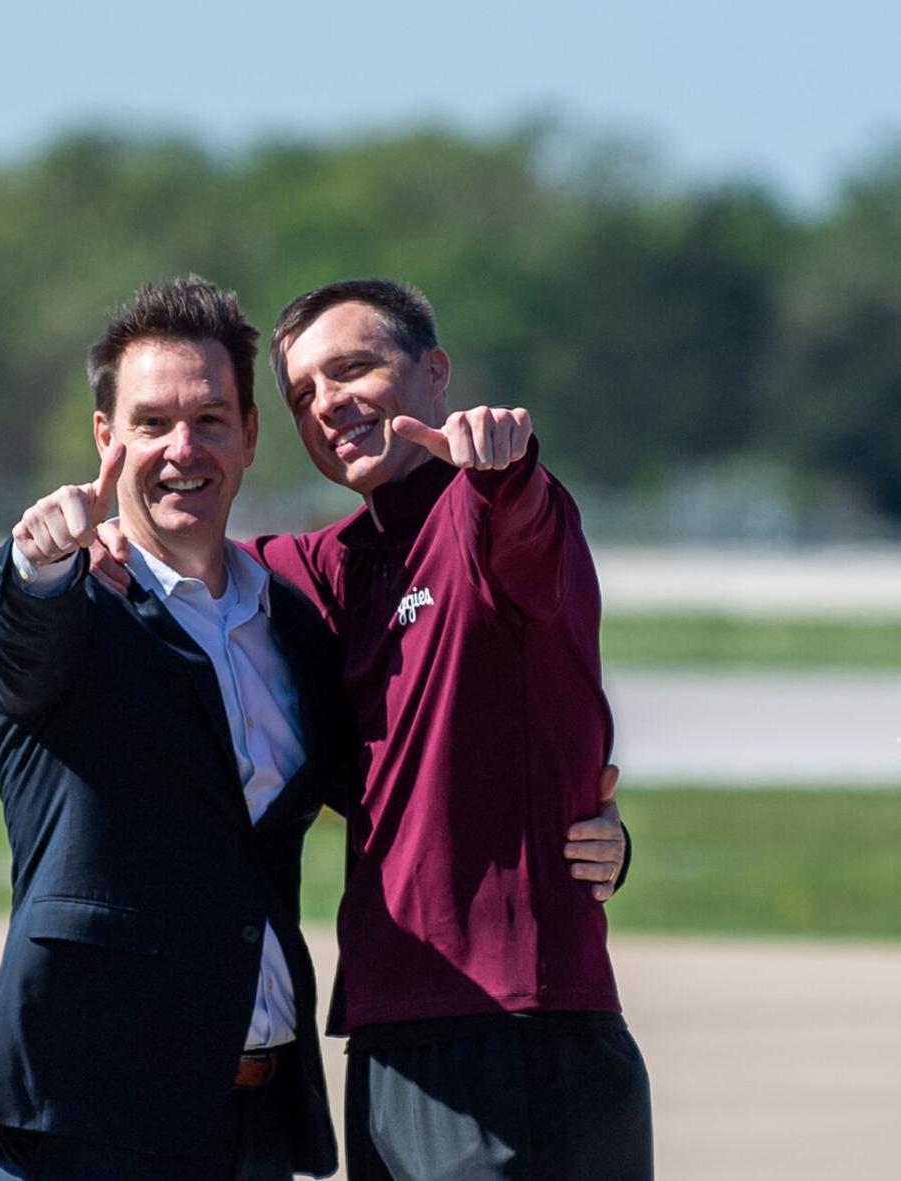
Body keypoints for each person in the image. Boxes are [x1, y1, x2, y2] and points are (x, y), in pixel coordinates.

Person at [251, 279, 653, 1179]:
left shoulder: (487, 509)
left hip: (518, 1031)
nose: (327, 402)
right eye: (303, 392)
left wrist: (505, 462)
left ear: (435, 372)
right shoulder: (333, 564)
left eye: (352, 368)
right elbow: (193, 564)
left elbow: (525, 518)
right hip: (386, 1037)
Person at [0, 277, 347, 1179]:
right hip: (89, 1118)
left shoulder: (290, 625)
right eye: (152, 423)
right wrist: (36, 560)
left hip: (254, 1119)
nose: (184, 449)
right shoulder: (74, 597)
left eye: (210, 418)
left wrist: (588, 817)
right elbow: (17, 640)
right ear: (106, 437)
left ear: (250, 433)